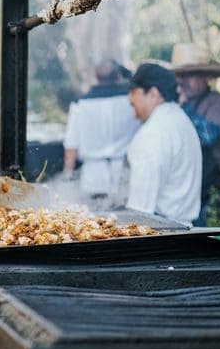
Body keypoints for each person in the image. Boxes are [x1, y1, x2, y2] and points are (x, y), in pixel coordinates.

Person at [170, 43, 220, 225]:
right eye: (180, 75)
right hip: (186, 191)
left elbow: (204, 137)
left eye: (190, 74)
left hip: (213, 193)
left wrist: (182, 106)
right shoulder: (177, 105)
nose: (182, 80)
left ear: (207, 76)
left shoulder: (219, 104)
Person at [125, 63, 202, 225]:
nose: (129, 98)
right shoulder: (181, 120)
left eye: (133, 92)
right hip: (184, 228)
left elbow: (139, 212)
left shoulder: (152, 133)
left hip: (161, 233)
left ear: (153, 93)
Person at [63, 59, 140, 200]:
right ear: (118, 75)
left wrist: (68, 177)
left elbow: (71, 145)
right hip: (124, 175)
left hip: (93, 177)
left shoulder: (80, 104)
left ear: (96, 77)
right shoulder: (131, 101)